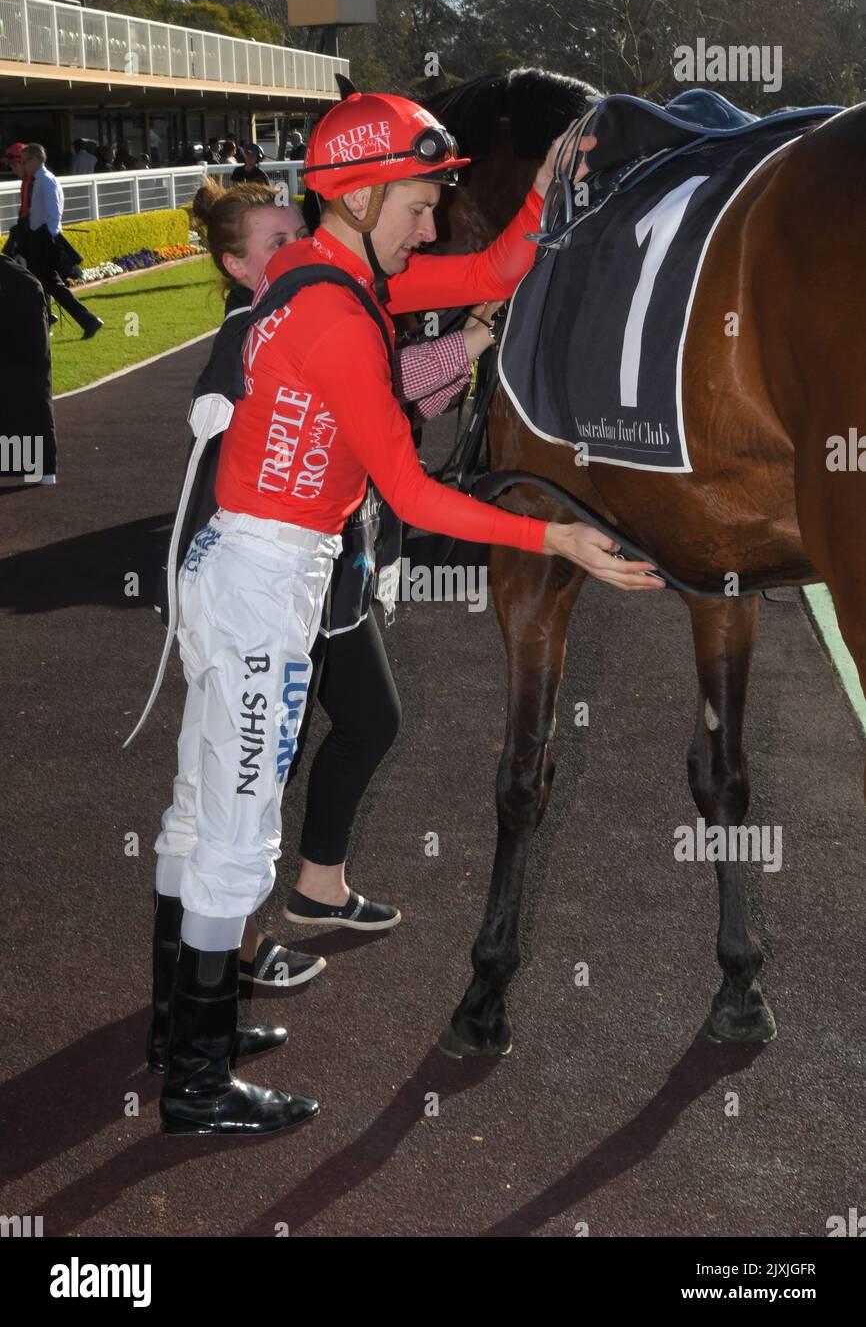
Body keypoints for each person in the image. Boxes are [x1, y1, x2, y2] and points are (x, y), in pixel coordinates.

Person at [150, 91, 663, 1139]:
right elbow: (419, 494)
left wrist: (543, 187)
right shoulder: (340, 316)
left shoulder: (316, 270)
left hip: (239, 562)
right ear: (369, 189)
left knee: (201, 813)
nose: (431, 225)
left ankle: (181, 1027)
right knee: (236, 835)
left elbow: (491, 273)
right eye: (423, 203)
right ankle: (196, 1084)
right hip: (264, 580)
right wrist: (556, 539)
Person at [186, 176, 502, 985]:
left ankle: (315, 886)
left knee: (366, 721)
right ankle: (233, 956)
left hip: (328, 570)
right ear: (234, 265)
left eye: (299, 230)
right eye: (273, 243)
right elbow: (379, 411)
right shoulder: (259, 324)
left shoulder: (318, 303)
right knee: (253, 772)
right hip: (271, 573)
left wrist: (463, 342)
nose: (295, 247)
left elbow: (381, 402)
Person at [9, 143, 103, 340]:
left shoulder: (46, 181)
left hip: (43, 238)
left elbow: (54, 211)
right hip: (36, 237)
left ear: (35, 160)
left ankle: (87, 319)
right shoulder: (36, 180)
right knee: (40, 281)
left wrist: (49, 236)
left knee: (50, 283)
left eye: (25, 161)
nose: (23, 165)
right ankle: (50, 317)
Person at [0, 252, 56, 486]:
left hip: (23, 323)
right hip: (28, 324)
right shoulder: (15, 272)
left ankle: (41, 468)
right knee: (32, 393)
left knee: (29, 394)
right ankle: (42, 470)